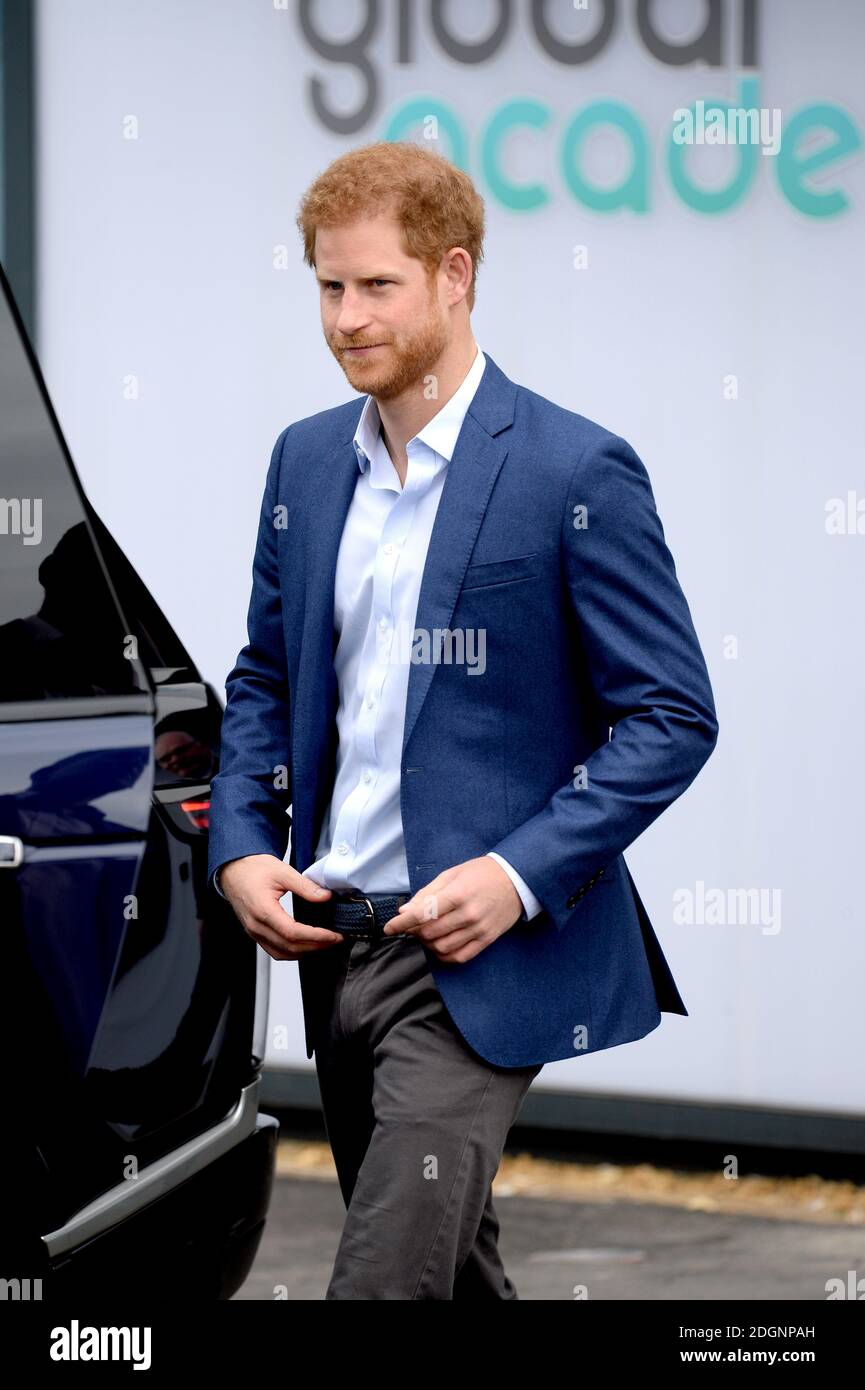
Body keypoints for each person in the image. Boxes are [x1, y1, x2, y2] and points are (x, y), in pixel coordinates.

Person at [207, 141, 719, 1300]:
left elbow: (672, 713)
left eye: (375, 285)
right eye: (328, 287)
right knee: (452, 1272)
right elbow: (266, 682)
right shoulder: (304, 463)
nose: (345, 317)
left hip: (480, 957)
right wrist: (240, 844)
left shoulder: (572, 467)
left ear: (454, 276)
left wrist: (515, 873)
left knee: (382, 1281)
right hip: (338, 943)